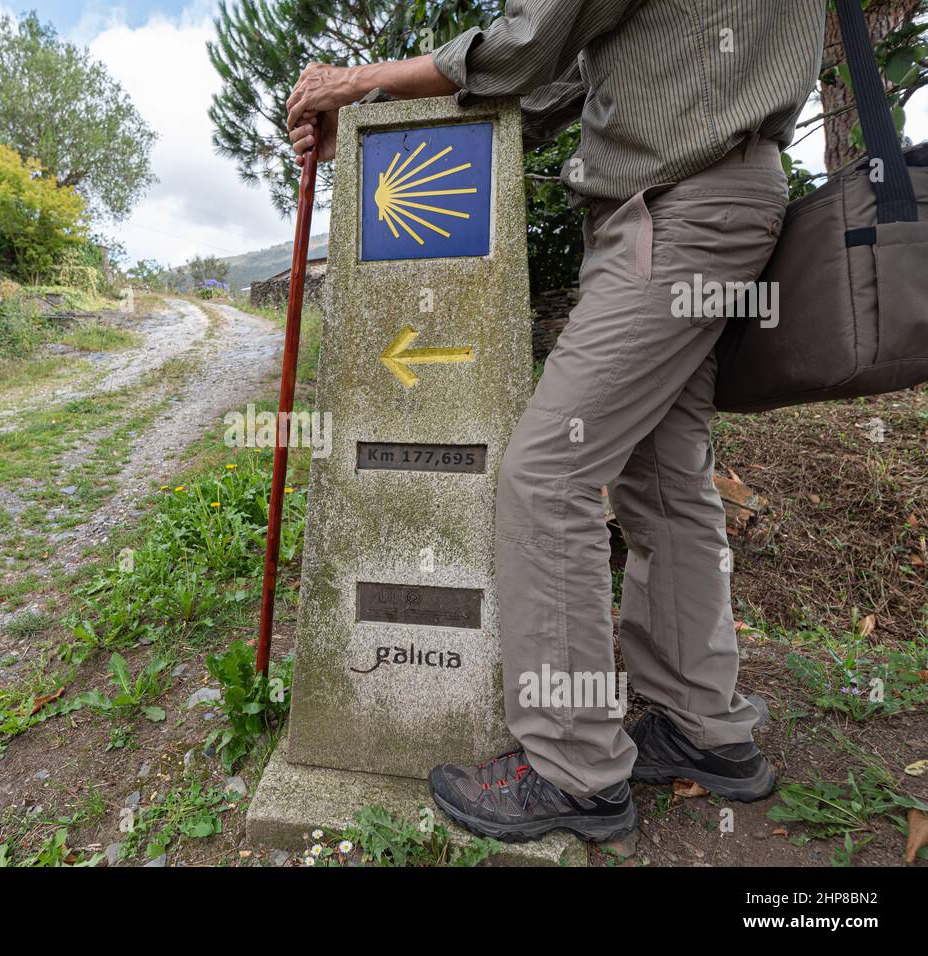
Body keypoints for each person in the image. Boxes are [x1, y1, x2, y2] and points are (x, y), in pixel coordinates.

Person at [286, 0, 827, 843]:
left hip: (676, 211)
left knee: (548, 473)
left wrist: (362, 81)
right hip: (713, 198)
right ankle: (703, 726)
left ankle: (575, 771)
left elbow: (535, 37)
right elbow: (581, 73)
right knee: (662, 474)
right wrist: (375, 113)